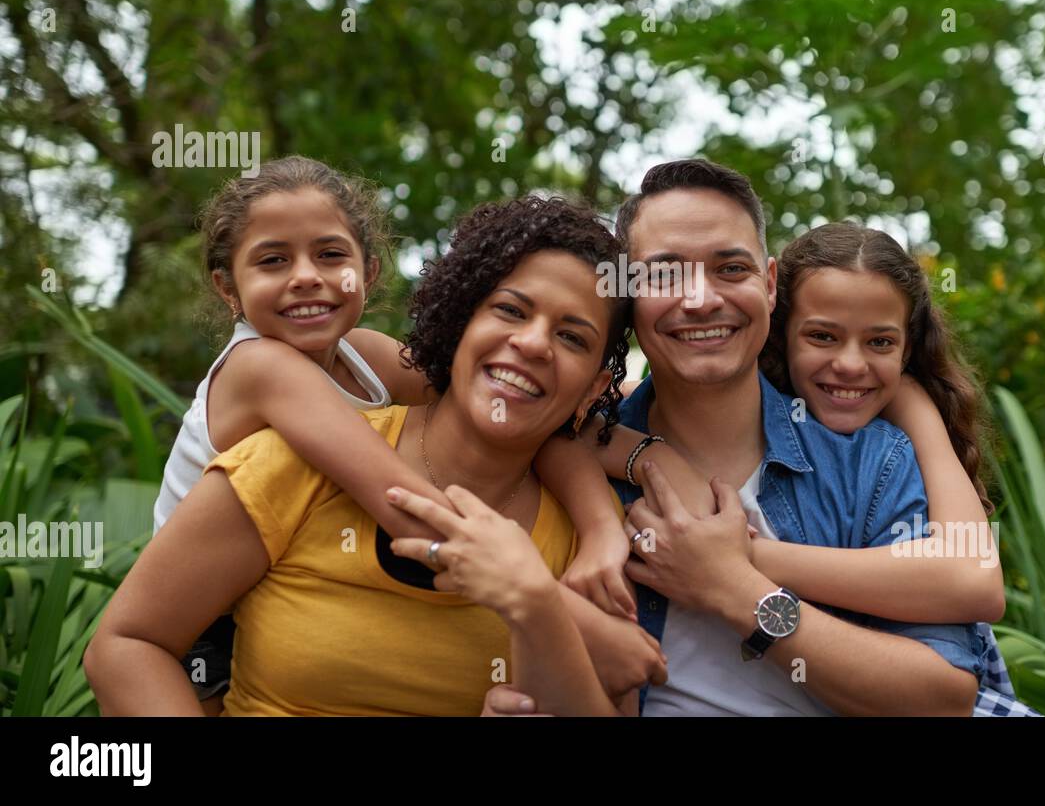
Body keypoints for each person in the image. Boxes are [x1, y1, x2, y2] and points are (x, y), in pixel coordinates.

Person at [84, 196, 665, 715]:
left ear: (593, 388)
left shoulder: (590, 547)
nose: (533, 342)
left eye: (572, 337)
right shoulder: (289, 447)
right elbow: (128, 645)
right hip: (204, 635)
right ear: (459, 323)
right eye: (510, 310)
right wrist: (549, 604)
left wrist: (643, 478)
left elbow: (542, 428)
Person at [491, 159, 995, 716]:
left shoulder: (870, 463)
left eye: (731, 269)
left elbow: (942, 699)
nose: (702, 299)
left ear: (770, 284)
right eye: (664, 275)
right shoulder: (566, 457)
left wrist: (737, 589)